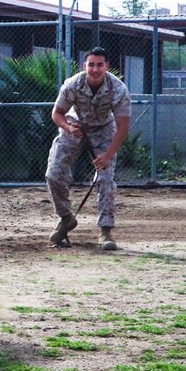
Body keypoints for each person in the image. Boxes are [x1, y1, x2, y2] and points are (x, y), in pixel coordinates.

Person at [45, 47, 132, 251]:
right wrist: (67, 127)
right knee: (53, 174)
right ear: (85, 66)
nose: (95, 69)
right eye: (91, 64)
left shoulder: (118, 89)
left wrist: (107, 155)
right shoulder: (72, 84)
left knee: (105, 179)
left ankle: (105, 231)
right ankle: (66, 218)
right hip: (75, 127)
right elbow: (57, 113)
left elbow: (123, 127)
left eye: (99, 65)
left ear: (107, 67)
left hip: (104, 131)